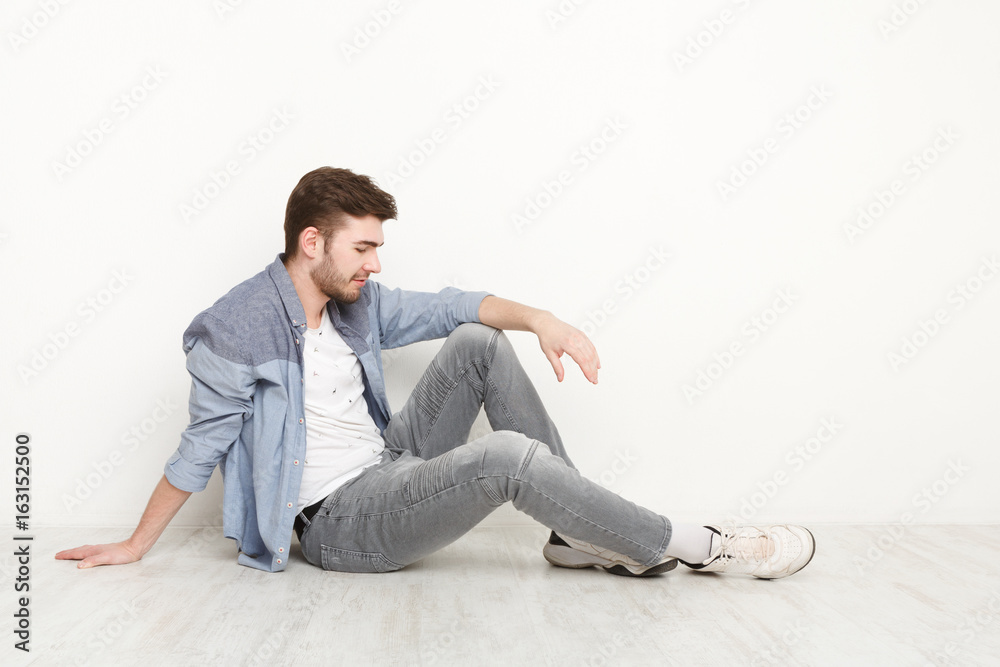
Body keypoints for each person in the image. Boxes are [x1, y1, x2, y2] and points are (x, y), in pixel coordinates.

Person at [57, 167, 815, 579]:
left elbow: (455, 305)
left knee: (478, 343)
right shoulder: (236, 329)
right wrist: (132, 545)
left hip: (390, 464)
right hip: (339, 522)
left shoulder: (355, 302)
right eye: (363, 248)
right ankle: (691, 543)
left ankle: (576, 535)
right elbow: (198, 448)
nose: (376, 264)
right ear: (312, 241)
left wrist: (544, 319)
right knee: (507, 457)